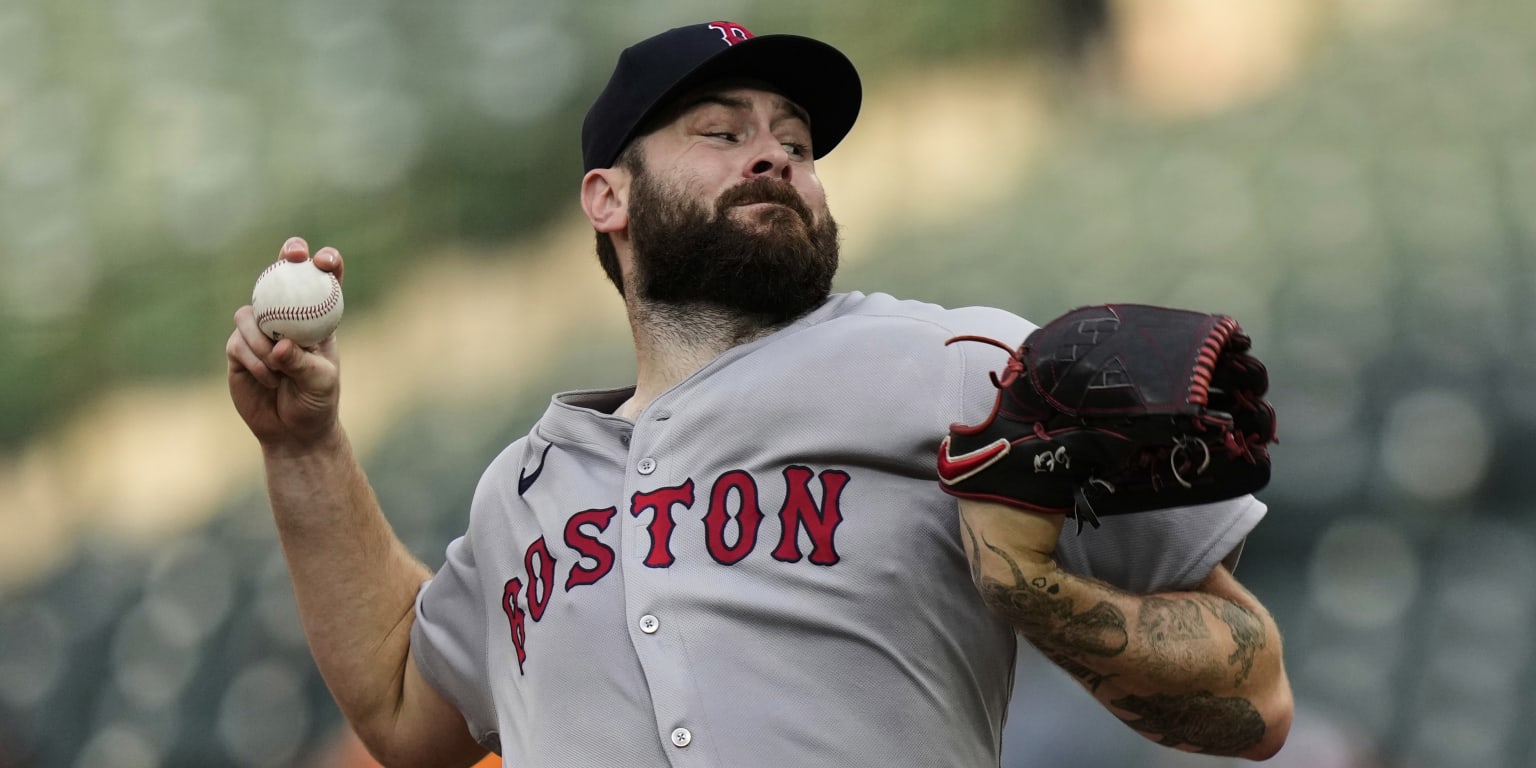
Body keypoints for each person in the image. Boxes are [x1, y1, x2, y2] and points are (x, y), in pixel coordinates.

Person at [225, 21, 1293, 768]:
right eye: (722, 132)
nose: (776, 157)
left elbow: (1255, 701)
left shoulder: (959, 369)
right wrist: (304, 446)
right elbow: (406, 713)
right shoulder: (523, 492)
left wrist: (1034, 590)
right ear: (608, 197)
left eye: (795, 140)